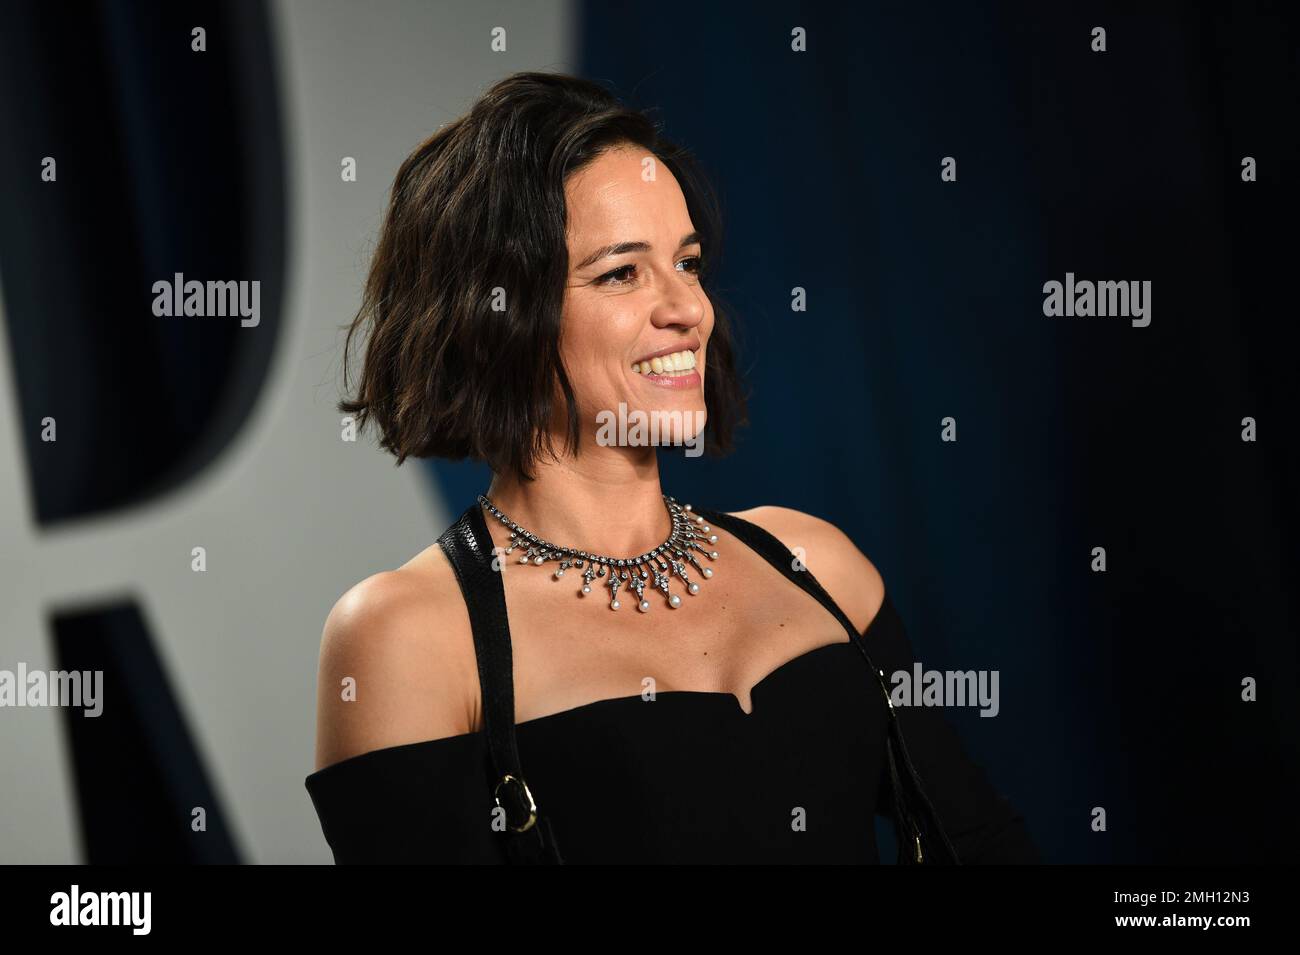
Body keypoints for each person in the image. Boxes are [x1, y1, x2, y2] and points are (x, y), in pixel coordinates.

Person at [304, 71, 1039, 864]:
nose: (688, 309)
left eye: (686, 263)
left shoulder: (813, 563)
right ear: (500, 315)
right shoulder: (408, 633)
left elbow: (985, 848)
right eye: (622, 271)